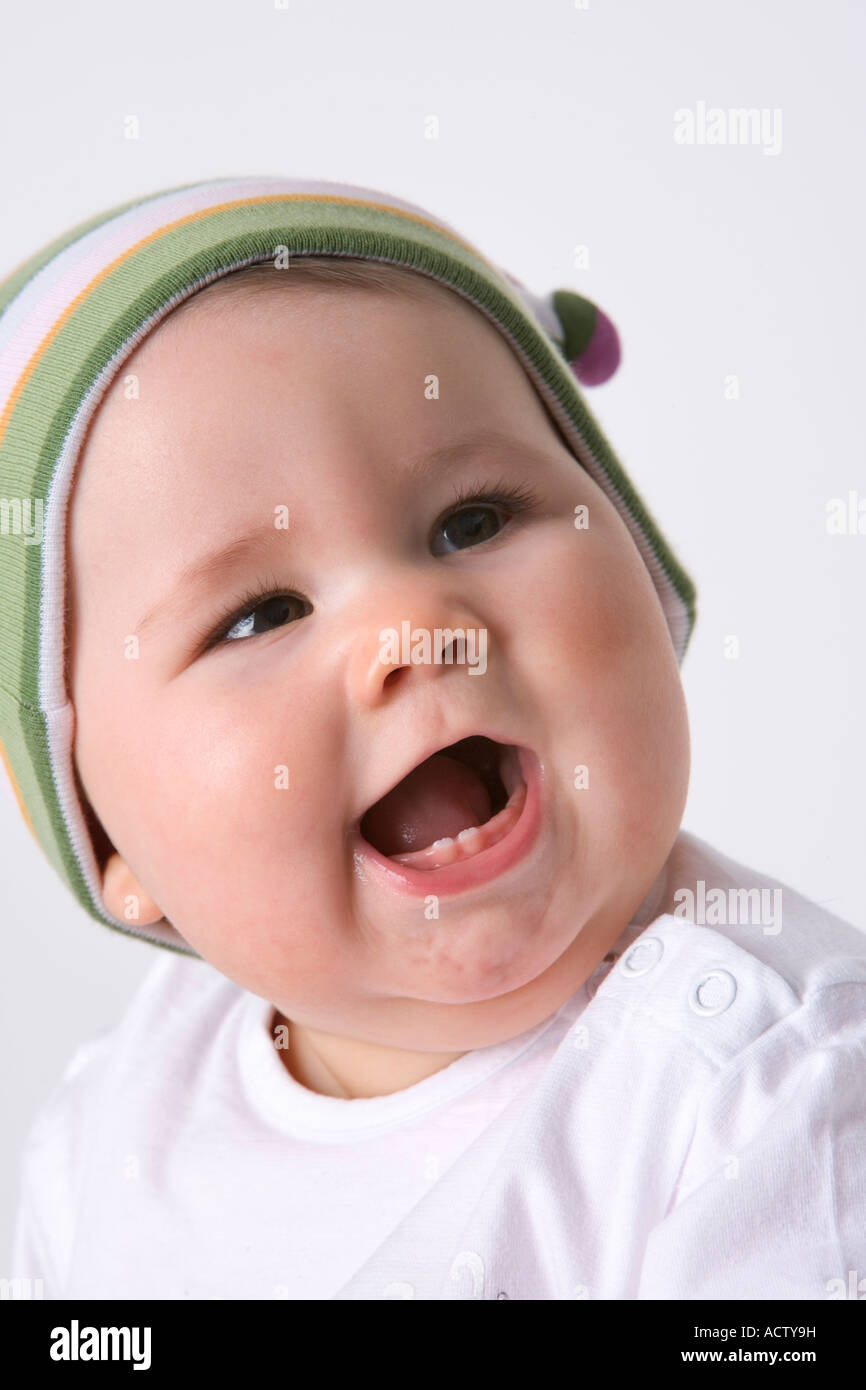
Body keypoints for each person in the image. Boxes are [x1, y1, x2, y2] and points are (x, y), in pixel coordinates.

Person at [2, 177, 864, 1300]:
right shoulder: (111, 1138)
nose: (412, 630)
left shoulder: (765, 1097)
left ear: (648, 584)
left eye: (473, 520)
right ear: (109, 838)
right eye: (259, 614)